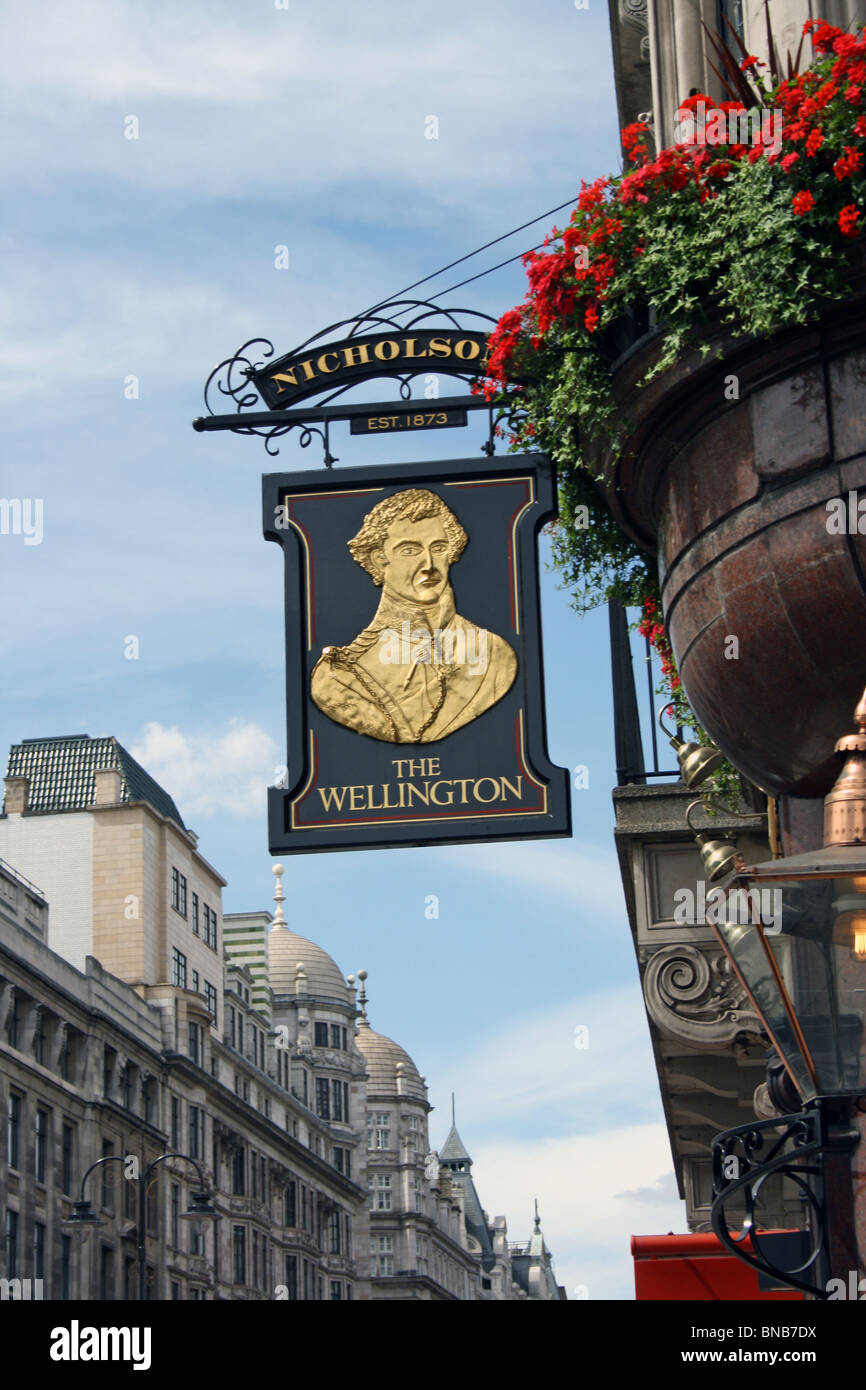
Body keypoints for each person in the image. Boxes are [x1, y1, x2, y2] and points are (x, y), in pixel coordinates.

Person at [310, 488, 517, 743]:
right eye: (409, 550)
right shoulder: (337, 677)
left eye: (438, 548)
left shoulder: (494, 653)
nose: (429, 564)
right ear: (378, 559)